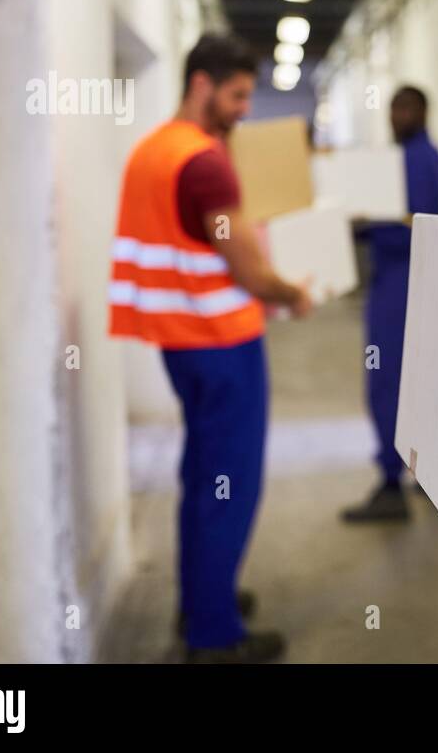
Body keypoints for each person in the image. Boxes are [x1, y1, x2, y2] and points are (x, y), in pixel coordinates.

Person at [109, 33, 312, 663]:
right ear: (202, 84)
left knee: (203, 477)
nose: (245, 109)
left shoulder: (153, 151)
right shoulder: (204, 163)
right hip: (222, 345)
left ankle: (204, 600)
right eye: (238, 95)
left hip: (179, 345)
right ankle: (214, 638)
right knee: (230, 482)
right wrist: (293, 292)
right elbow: (246, 268)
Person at [341, 86, 438, 522]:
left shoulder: (418, 158)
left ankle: (390, 485)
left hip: (399, 284)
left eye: (405, 108)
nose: (396, 116)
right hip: (401, 280)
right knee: (413, 383)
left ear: (423, 112)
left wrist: (361, 226)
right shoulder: (404, 158)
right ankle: (421, 473)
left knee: (385, 382)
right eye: (392, 108)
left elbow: (411, 226)